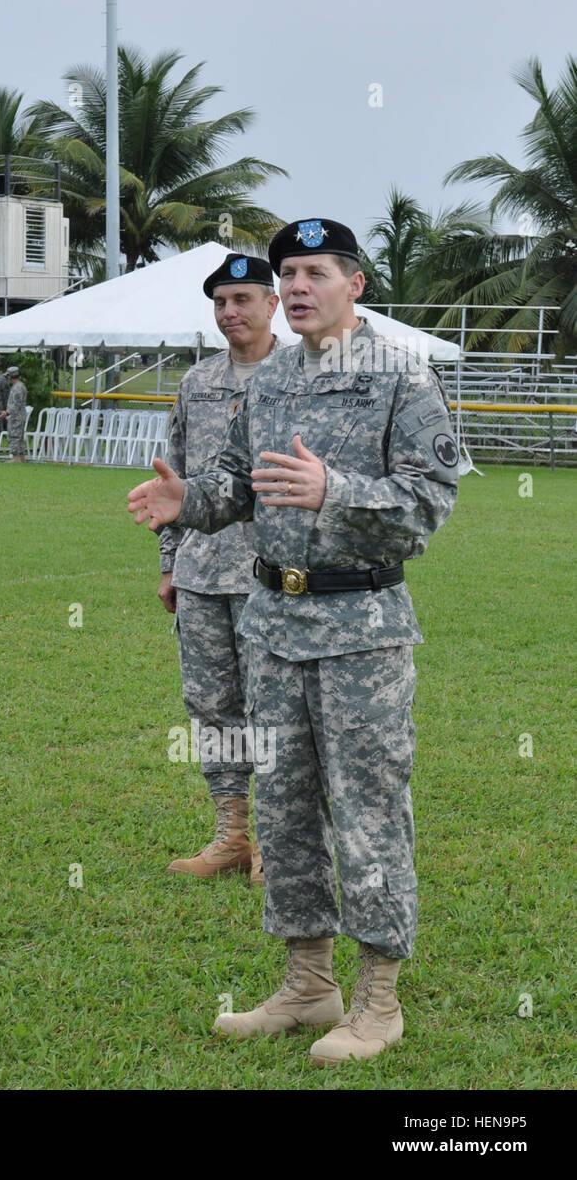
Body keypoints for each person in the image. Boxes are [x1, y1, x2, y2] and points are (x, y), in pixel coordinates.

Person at [128, 219, 457, 1067]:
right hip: (270, 623)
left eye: (313, 271)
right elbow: (237, 480)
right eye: (289, 272)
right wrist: (188, 500)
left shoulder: (400, 376)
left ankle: (379, 997)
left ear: (354, 283)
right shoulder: (270, 377)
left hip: (360, 634)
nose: (298, 285)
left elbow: (429, 502)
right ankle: (308, 981)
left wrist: (333, 490)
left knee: (368, 811)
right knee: (283, 807)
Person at [157, 254, 282, 884]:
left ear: (273, 303)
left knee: (275, 709)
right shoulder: (197, 382)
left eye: (243, 300)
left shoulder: (299, 379)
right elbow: (173, 479)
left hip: (274, 576)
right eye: (220, 303)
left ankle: (275, 843)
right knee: (212, 707)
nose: (230, 312)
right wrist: (169, 563)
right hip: (203, 574)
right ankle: (231, 833)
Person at [0, 365, 29, 462]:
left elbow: (16, 404)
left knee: (14, 436)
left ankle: (15, 457)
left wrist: (7, 412)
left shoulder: (18, 388)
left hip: (16, 416)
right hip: (17, 416)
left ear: (10, 376)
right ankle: (21, 458)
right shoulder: (18, 386)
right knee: (18, 437)